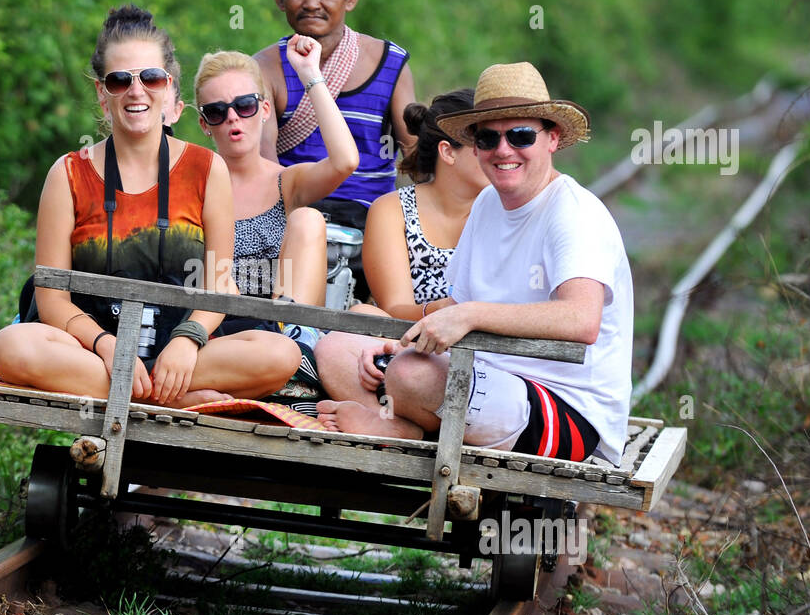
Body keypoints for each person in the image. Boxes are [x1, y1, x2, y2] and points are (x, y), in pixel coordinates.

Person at [315, 62, 633, 468]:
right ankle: (403, 426)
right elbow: (454, 308)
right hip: (480, 374)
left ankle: (399, 423)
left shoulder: (573, 212)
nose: (503, 150)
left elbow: (581, 319)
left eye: (520, 135)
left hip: (566, 407)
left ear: (552, 138)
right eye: (488, 138)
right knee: (336, 346)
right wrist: (403, 342)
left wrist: (470, 316)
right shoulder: (487, 204)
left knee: (411, 376)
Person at [0, 5, 301, 406]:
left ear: (170, 88)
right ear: (103, 93)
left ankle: (139, 391)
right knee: (12, 345)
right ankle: (168, 397)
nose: (137, 91)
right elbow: (51, 297)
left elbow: (219, 283)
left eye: (151, 78)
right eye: (120, 81)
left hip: (181, 353)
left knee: (279, 353)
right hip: (91, 351)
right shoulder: (67, 174)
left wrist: (188, 342)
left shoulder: (207, 169)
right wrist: (105, 345)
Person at [253, 0, 418, 236]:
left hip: (375, 224)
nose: (311, 3)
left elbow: (417, 157)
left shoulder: (390, 64)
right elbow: (264, 167)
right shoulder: (262, 70)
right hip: (294, 221)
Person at [193, 39, 358, 313]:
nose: (233, 117)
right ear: (204, 124)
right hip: (214, 321)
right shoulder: (192, 182)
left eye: (244, 105)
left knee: (309, 218)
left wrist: (310, 75)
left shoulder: (286, 183)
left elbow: (346, 161)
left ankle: (294, 338)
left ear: (265, 110)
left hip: (281, 325)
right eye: (217, 111)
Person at [361, 89, 488, 320]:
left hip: (492, 346)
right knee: (362, 313)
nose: (501, 152)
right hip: (412, 344)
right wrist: (445, 311)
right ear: (448, 152)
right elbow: (393, 311)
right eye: (486, 141)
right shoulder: (393, 210)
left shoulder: (508, 210)